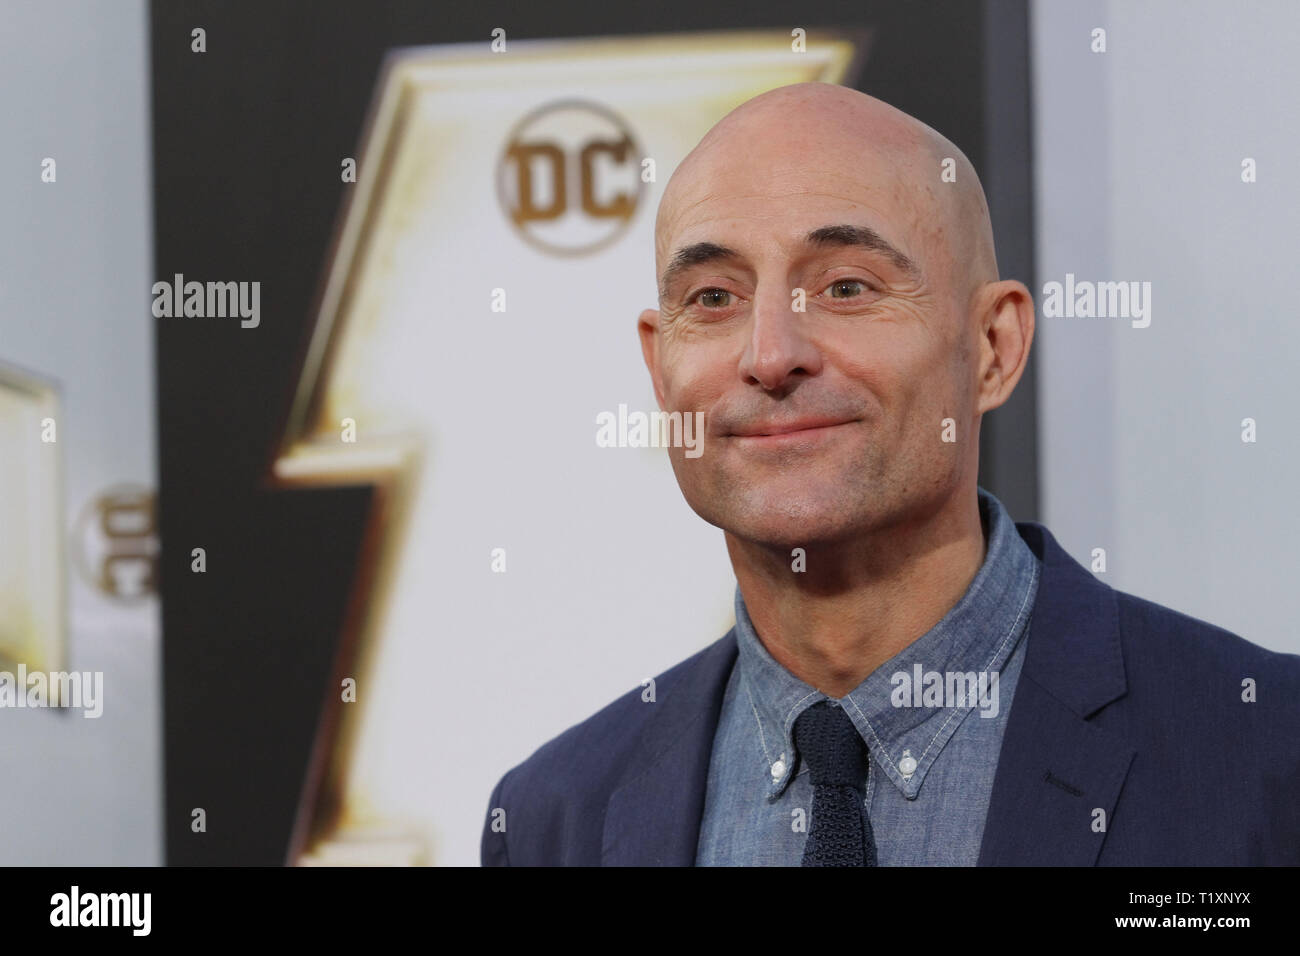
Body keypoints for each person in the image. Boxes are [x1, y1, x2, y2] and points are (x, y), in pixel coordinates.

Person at [480, 82, 1300, 866]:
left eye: (845, 286)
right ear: (660, 371)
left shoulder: (1266, 753)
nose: (770, 355)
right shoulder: (558, 818)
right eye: (715, 297)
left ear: (993, 347)